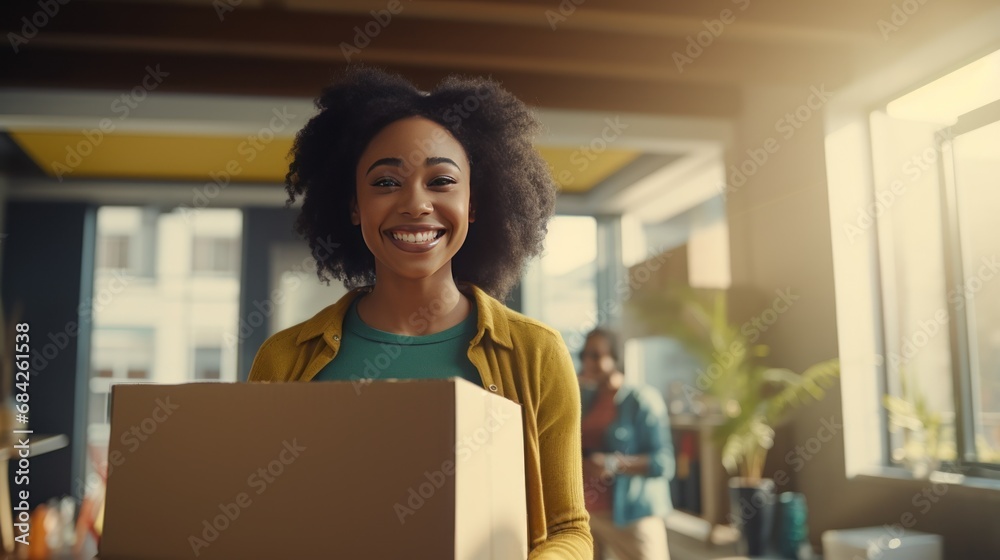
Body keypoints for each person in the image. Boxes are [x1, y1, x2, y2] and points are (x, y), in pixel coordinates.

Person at [246, 65, 593, 558]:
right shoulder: (283, 359)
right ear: (353, 206)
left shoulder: (536, 353)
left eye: (442, 181)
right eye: (386, 182)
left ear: (474, 204)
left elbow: (569, 530)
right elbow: (259, 523)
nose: (415, 204)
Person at [578, 328, 674, 560]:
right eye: (584, 355)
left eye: (596, 355)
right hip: (587, 515)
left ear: (615, 357)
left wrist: (612, 464)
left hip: (631, 516)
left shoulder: (642, 399)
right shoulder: (586, 399)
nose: (588, 362)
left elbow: (664, 463)